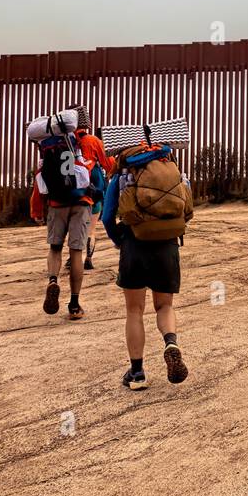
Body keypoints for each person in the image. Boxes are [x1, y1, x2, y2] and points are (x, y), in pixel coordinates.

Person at [101, 142, 194, 389]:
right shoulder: (173, 170)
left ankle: (137, 373)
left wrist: (120, 240)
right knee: (164, 305)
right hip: (167, 246)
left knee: (134, 311)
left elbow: (107, 217)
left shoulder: (122, 177)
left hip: (135, 245)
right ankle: (171, 343)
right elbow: (186, 211)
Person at [29, 105, 113, 320]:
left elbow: (40, 177)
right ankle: (74, 305)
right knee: (76, 252)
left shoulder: (51, 142)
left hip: (57, 203)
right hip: (82, 201)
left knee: (55, 248)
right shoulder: (91, 141)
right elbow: (109, 165)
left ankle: (53, 281)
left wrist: (36, 209)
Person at [69, 106, 114, 271]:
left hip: (73, 191)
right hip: (93, 189)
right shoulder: (94, 141)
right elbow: (109, 164)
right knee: (91, 228)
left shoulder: (64, 141)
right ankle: (88, 258)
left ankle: (73, 257)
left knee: (75, 226)